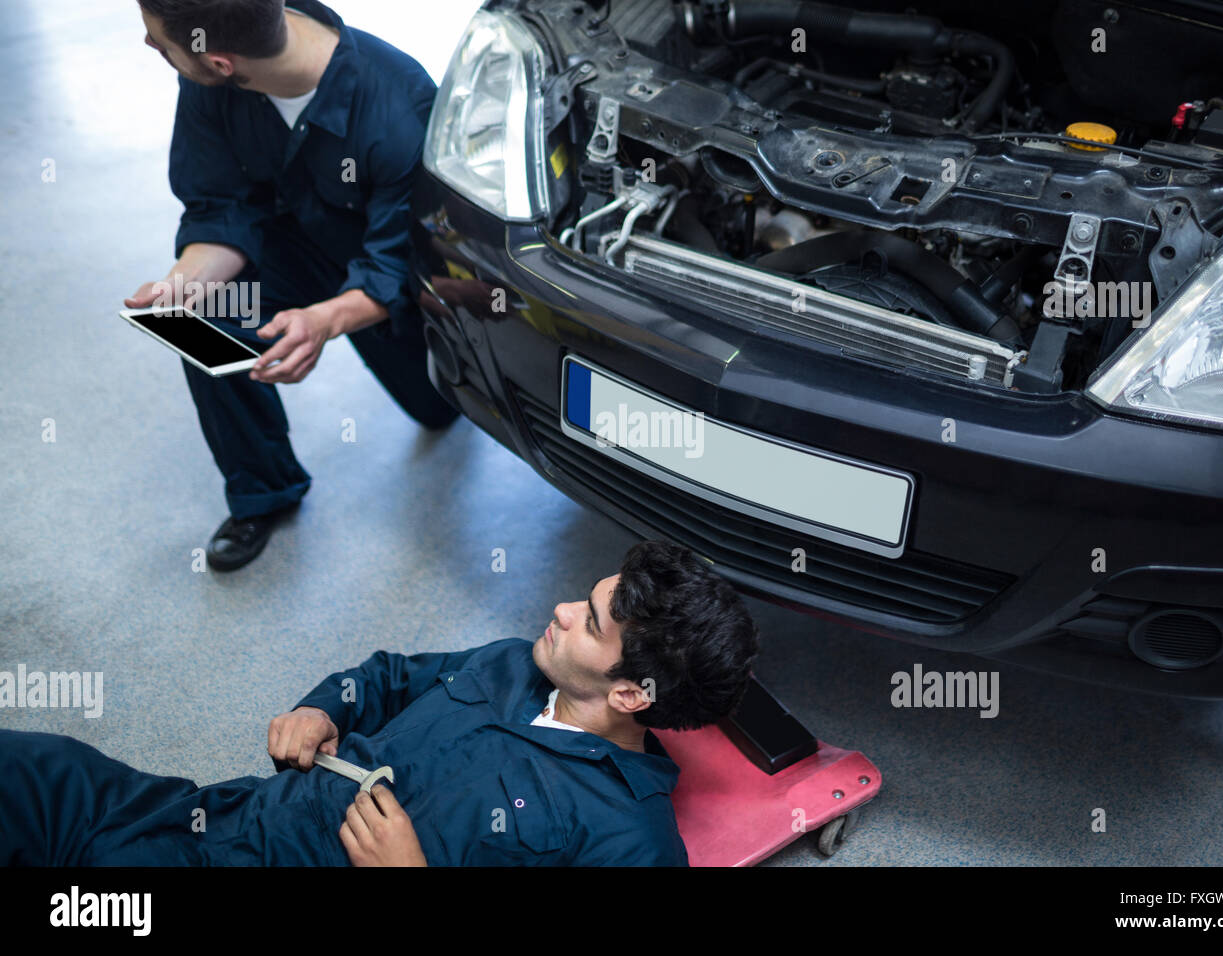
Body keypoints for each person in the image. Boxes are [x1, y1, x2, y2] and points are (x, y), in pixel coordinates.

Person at [0, 541, 760, 866]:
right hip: (213, 818)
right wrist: (324, 708)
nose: (561, 611)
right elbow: (390, 675)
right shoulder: (517, 665)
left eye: (588, 623)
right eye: (583, 599)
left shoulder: (628, 836)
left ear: (630, 693)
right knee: (29, 770)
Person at [124, 0, 459, 571]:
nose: (150, 46)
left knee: (438, 409)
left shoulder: (399, 106)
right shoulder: (213, 67)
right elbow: (222, 204)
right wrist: (183, 284)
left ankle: (442, 391)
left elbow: (393, 265)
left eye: (159, 41)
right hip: (286, 249)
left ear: (223, 63)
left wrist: (324, 321)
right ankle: (263, 492)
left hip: (380, 278)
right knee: (201, 318)